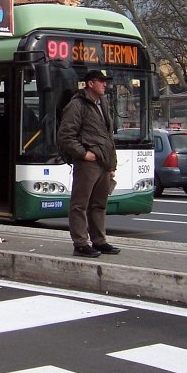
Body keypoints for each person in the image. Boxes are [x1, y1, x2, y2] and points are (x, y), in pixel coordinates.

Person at [57, 70, 119, 258]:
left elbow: (108, 136)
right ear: (90, 84)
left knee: (99, 204)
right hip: (88, 163)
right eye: (101, 81)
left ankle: (99, 241)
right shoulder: (77, 105)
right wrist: (84, 154)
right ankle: (81, 243)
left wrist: (111, 164)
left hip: (103, 162)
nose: (105, 84)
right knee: (80, 204)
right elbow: (65, 135)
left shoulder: (103, 104)